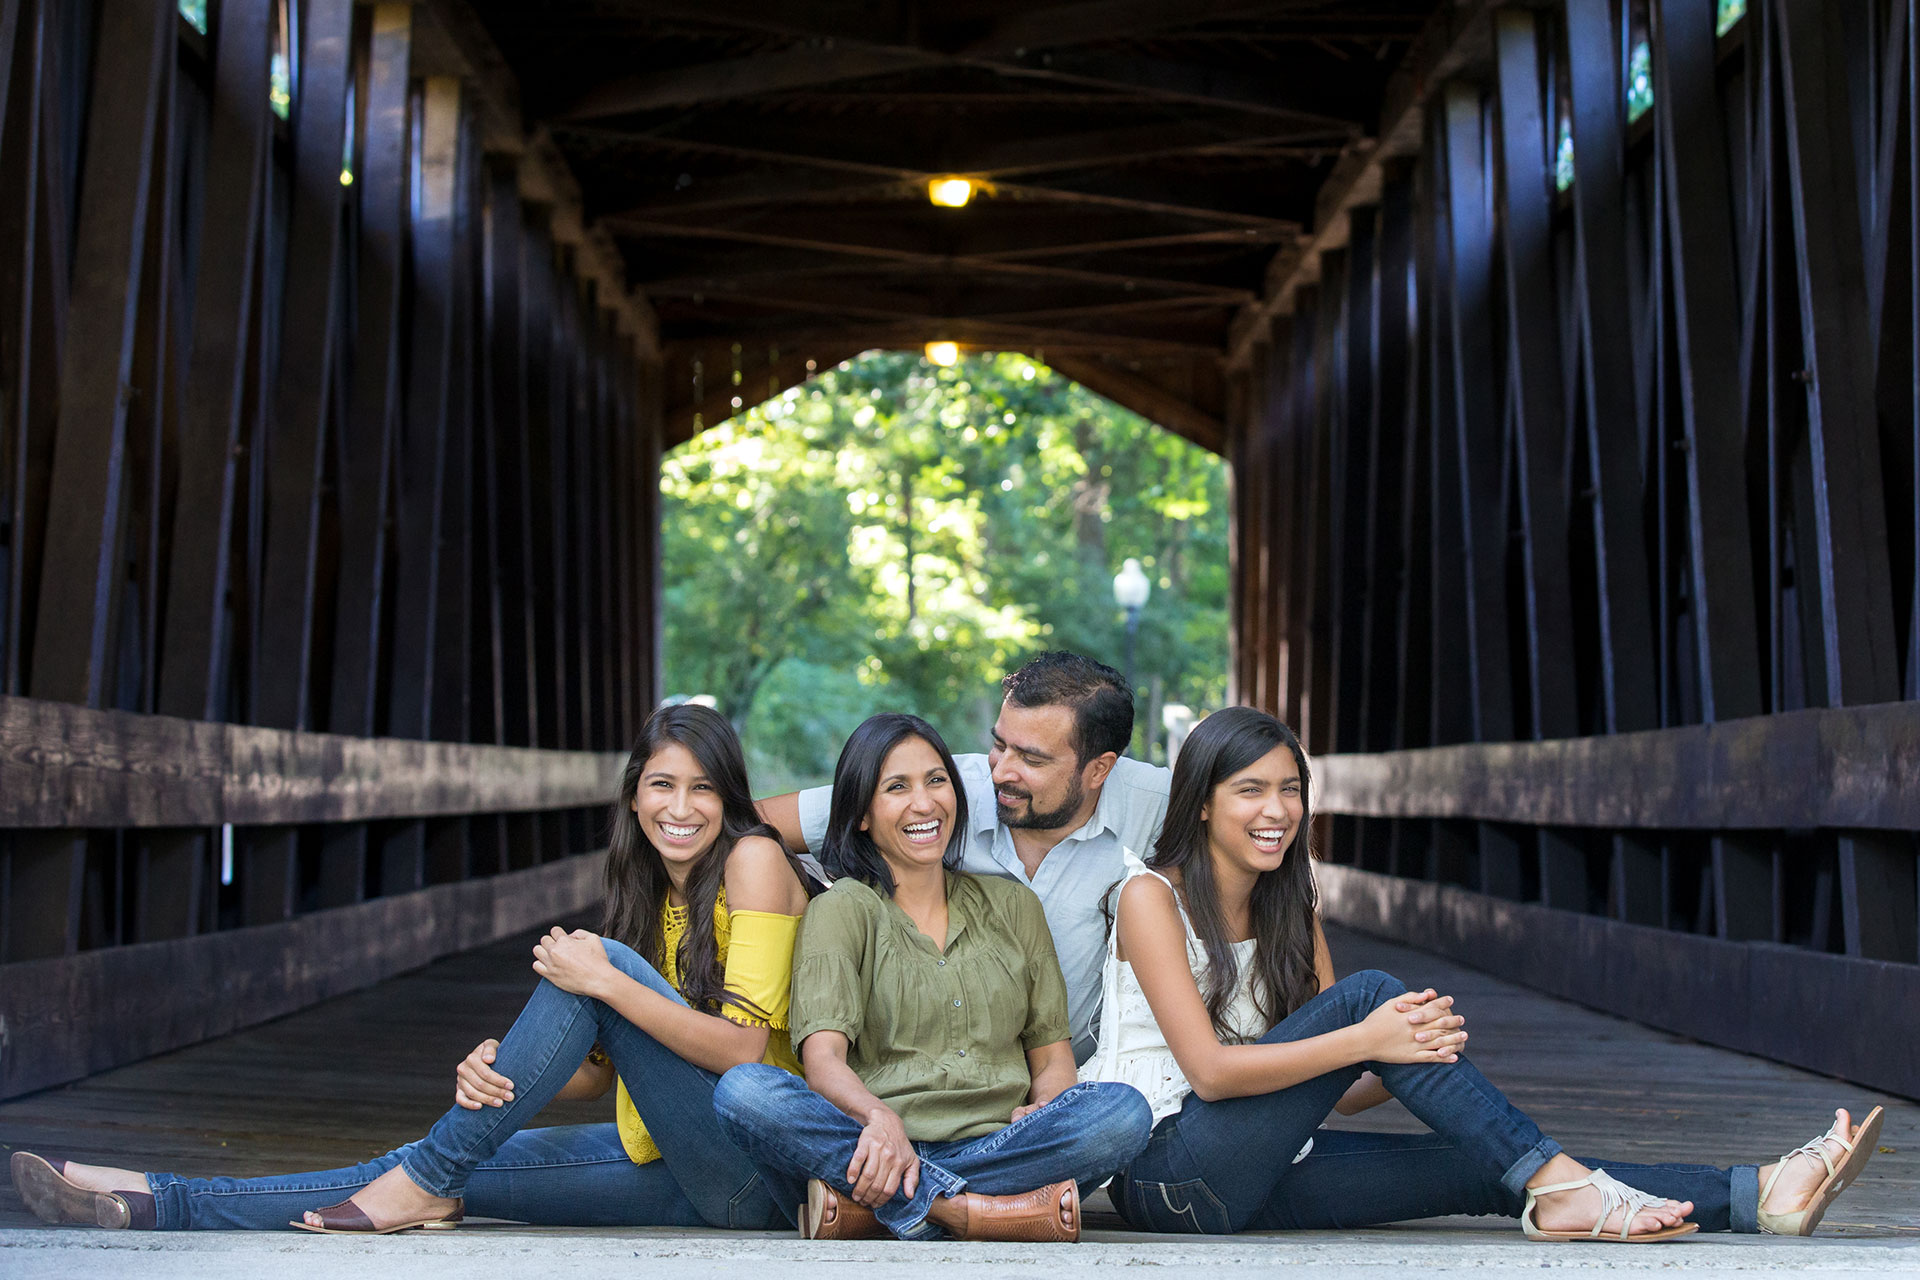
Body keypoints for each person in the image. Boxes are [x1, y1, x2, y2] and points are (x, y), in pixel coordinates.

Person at [1085, 705, 1885, 1240]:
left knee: (1493, 1166)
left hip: (1260, 1170)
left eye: (1290, 790)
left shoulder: (1292, 908)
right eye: (1250, 791)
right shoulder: (1152, 898)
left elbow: (1344, 1089)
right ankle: (1563, 1181)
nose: (1277, 811)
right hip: (1169, 1176)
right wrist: (1371, 1032)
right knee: (1371, 998)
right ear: (1201, 803)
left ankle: (1758, 1194)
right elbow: (1213, 1074)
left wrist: (1413, 1049)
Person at [12, 704, 813, 1234]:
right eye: (662, 785)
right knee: (411, 1172)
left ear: (729, 799)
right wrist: (502, 1069)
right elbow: (598, 1075)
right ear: (634, 798)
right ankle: (159, 1200)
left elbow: (743, 1051)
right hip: (674, 1163)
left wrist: (604, 979)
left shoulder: (751, 860)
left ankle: (429, 1173)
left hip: (754, 1173)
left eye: (703, 789)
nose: (682, 807)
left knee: (580, 983)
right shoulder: (645, 897)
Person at [714, 713, 1152, 1241]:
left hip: (1001, 1145)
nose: (924, 804)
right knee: (745, 1091)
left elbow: (1052, 1057)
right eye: (897, 787)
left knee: (1123, 1112)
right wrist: (880, 1120)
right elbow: (823, 1061)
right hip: (872, 1141)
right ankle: (964, 1212)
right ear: (862, 815)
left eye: (936, 780)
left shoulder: (1014, 906)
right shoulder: (843, 909)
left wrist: (1045, 1107)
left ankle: (883, 1207)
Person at [761, 651, 1167, 1062]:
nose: (1001, 772)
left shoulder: (1157, 804)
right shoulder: (937, 793)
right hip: (923, 1074)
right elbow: (751, 825)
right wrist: (801, 910)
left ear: (1099, 770)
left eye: (1031, 759)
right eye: (999, 745)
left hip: (1077, 1079)